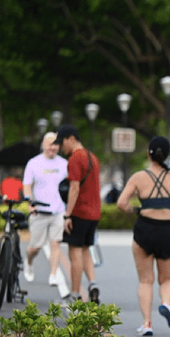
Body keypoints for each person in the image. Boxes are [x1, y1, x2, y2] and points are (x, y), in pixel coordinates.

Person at [116, 136, 170, 336]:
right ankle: (166, 303)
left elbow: (121, 203)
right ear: (166, 155)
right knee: (167, 279)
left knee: (145, 280)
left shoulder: (139, 177)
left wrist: (138, 210)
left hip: (145, 229)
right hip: (167, 230)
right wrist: (167, 204)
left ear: (149, 154)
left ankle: (147, 323)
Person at [55, 124, 102, 304]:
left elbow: (74, 188)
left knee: (74, 253)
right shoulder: (93, 157)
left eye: (63, 142)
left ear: (72, 139)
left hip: (79, 212)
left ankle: (75, 294)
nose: (61, 147)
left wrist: (67, 215)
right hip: (94, 213)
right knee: (85, 250)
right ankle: (93, 283)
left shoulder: (75, 159)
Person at [22, 131, 67, 285]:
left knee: (56, 243)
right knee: (35, 248)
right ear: (43, 145)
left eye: (55, 144)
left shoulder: (63, 164)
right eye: (50, 144)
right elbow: (27, 185)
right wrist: (30, 204)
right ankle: (28, 262)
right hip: (39, 211)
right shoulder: (34, 163)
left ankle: (53, 275)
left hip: (58, 211)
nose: (52, 148)